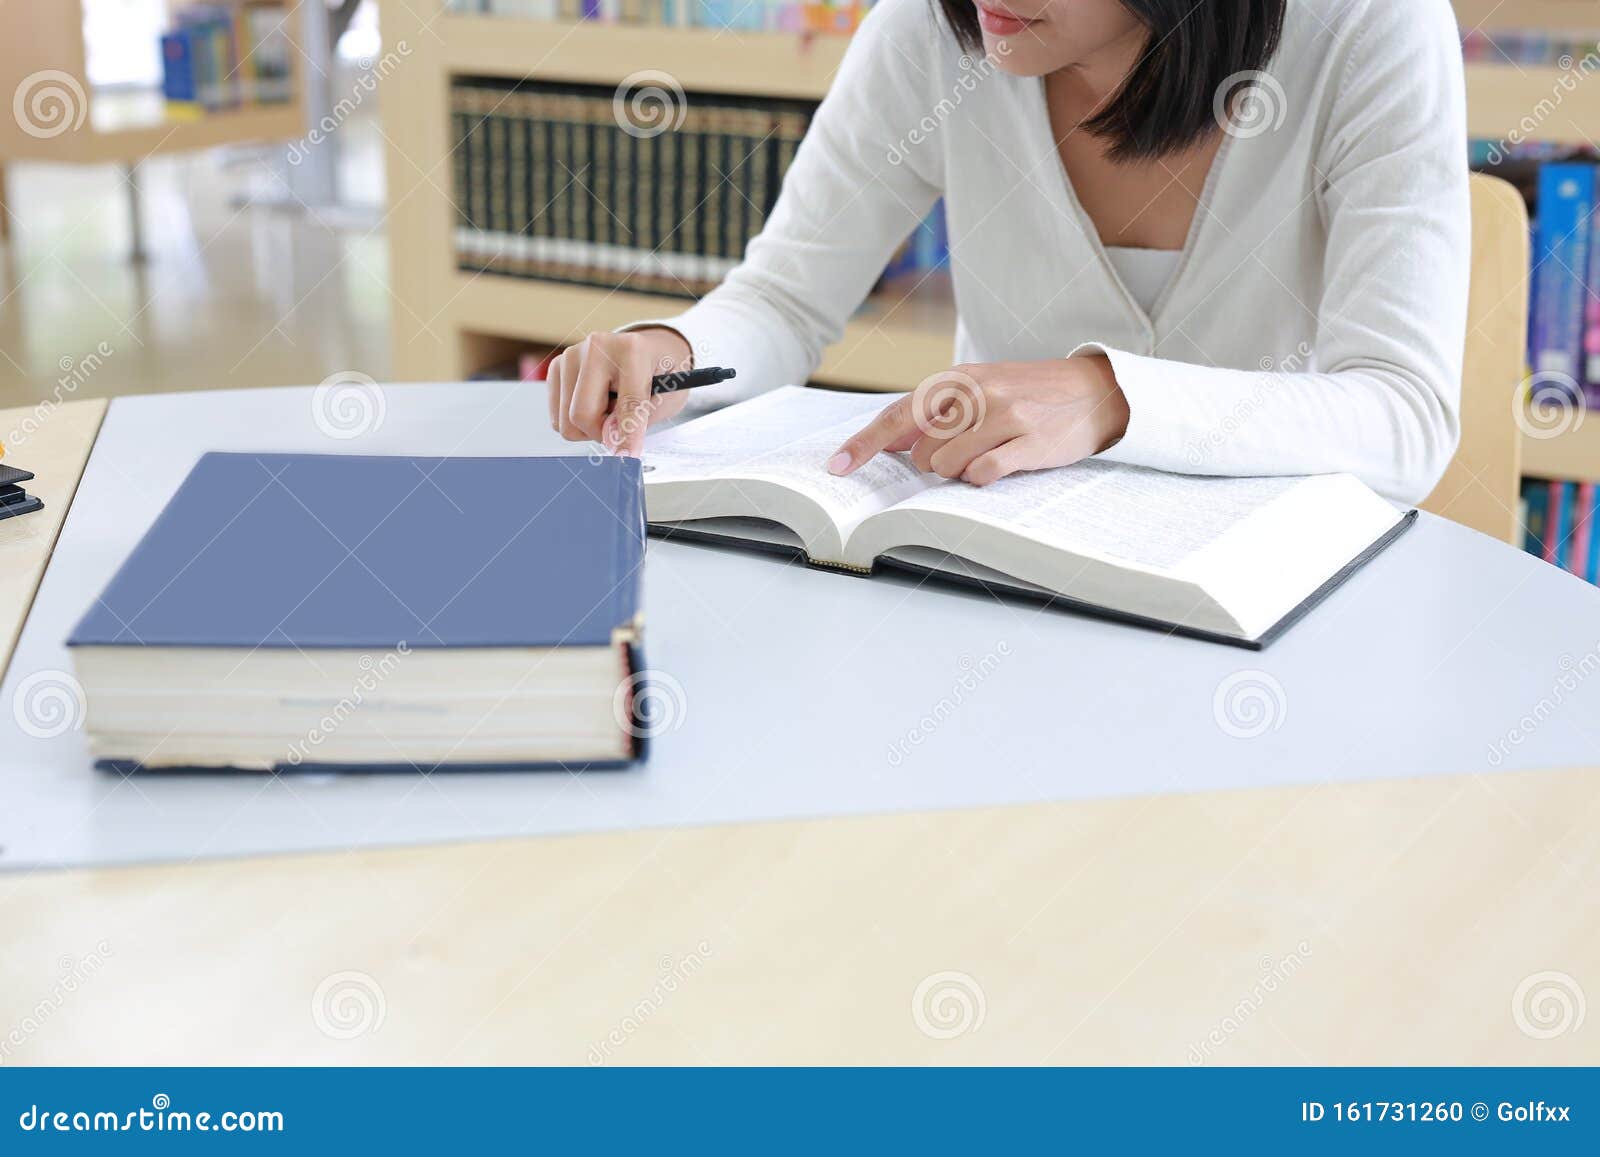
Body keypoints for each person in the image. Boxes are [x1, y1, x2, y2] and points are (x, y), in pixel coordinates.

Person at [547, 0, 1469, 504]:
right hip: (995, 574)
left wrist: (1110, 395)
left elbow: (1404, 415)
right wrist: (672, 354)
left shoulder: (1367, 31)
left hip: (1280, 600)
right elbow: (785, 303)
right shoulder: (926, 37)